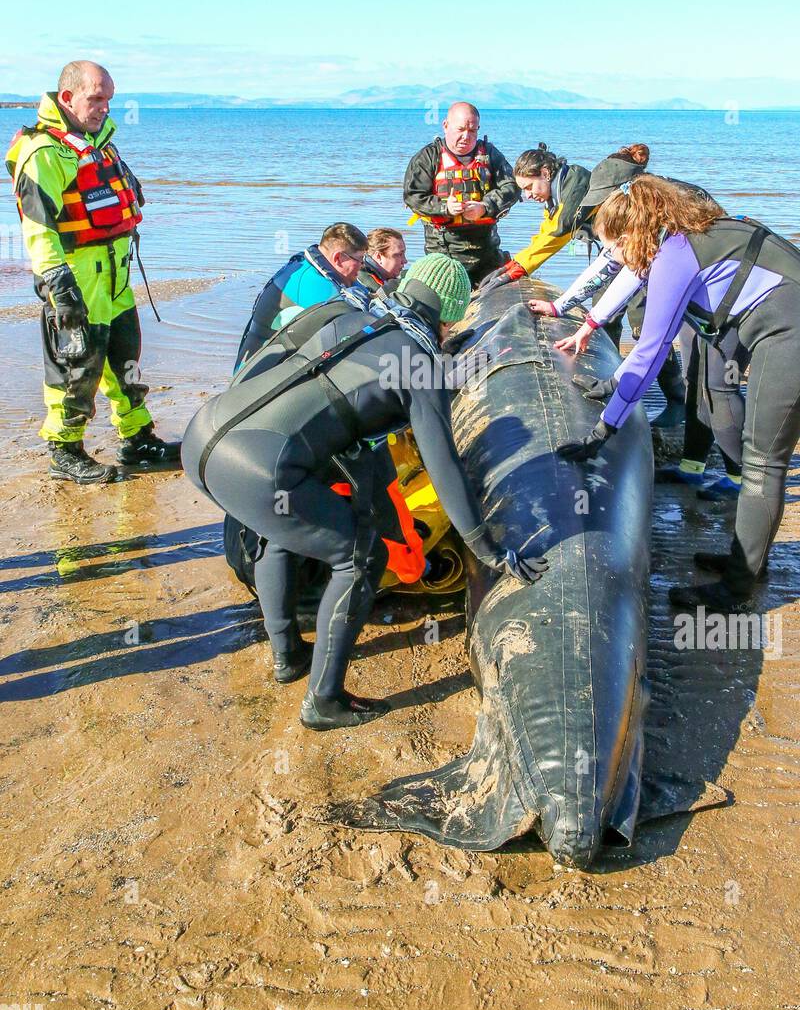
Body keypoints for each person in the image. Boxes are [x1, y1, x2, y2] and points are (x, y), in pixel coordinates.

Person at [182, 253, 547, 729]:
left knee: (281, 531)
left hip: (204, 437)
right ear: (451, 315)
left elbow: (269, 360)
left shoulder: (345, 311)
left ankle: (288, 655)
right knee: (360, 557)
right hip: (261, 468)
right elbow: (445, 469)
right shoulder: (419, 365)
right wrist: (488, 548)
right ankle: (324, 701)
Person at [554, 175, 800, 612]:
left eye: (613, 246)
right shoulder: (674, 239)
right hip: (784, 312)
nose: (612, 257)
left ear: (635, 231)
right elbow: (643, 336)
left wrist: (602, 430)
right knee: (749, 443)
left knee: (764, 460)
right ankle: (746, 561)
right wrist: (612, 384)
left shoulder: (674, 257)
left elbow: (650, 352)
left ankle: (736, 591)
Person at [5, 60, 180, 483]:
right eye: (95, 98)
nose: (104, 107)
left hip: (116, 276)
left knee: (126, 360)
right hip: (77, 281)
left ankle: (138, 439)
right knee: (76, 367)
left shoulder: (98, 142)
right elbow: (38, 228)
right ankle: (64, 451)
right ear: (67, 97)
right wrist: (59, 287)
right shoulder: (44, 151)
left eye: (109, 99)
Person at [485, 142, 689, 429]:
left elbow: (553, 239)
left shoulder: (574, 189)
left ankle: (676, 399)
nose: (527, 195)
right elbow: (549, 233)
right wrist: (515, 269)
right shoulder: (561, 188)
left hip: (641, 253)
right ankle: (615, 378)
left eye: (529, 187)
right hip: (619, 253)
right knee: (606, 319)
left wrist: (514, 270)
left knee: (645, 326)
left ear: (545, 172)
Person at [403, 102, 520, 286]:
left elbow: (512, 186)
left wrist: (485, 207)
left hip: (487, 251)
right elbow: (412, 196)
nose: (466, 136)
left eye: (473, 131)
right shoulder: (428, 157)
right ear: (445, 126)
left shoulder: (489, 154)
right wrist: (445, 207)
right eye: (461, 129)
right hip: (443, 251)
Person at [235, 222, 370, 369]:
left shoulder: (311, 264)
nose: (363, 265)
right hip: (261, 373)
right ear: (338, 258)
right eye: (360, 259)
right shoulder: (315, 285)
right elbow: (353, 325)